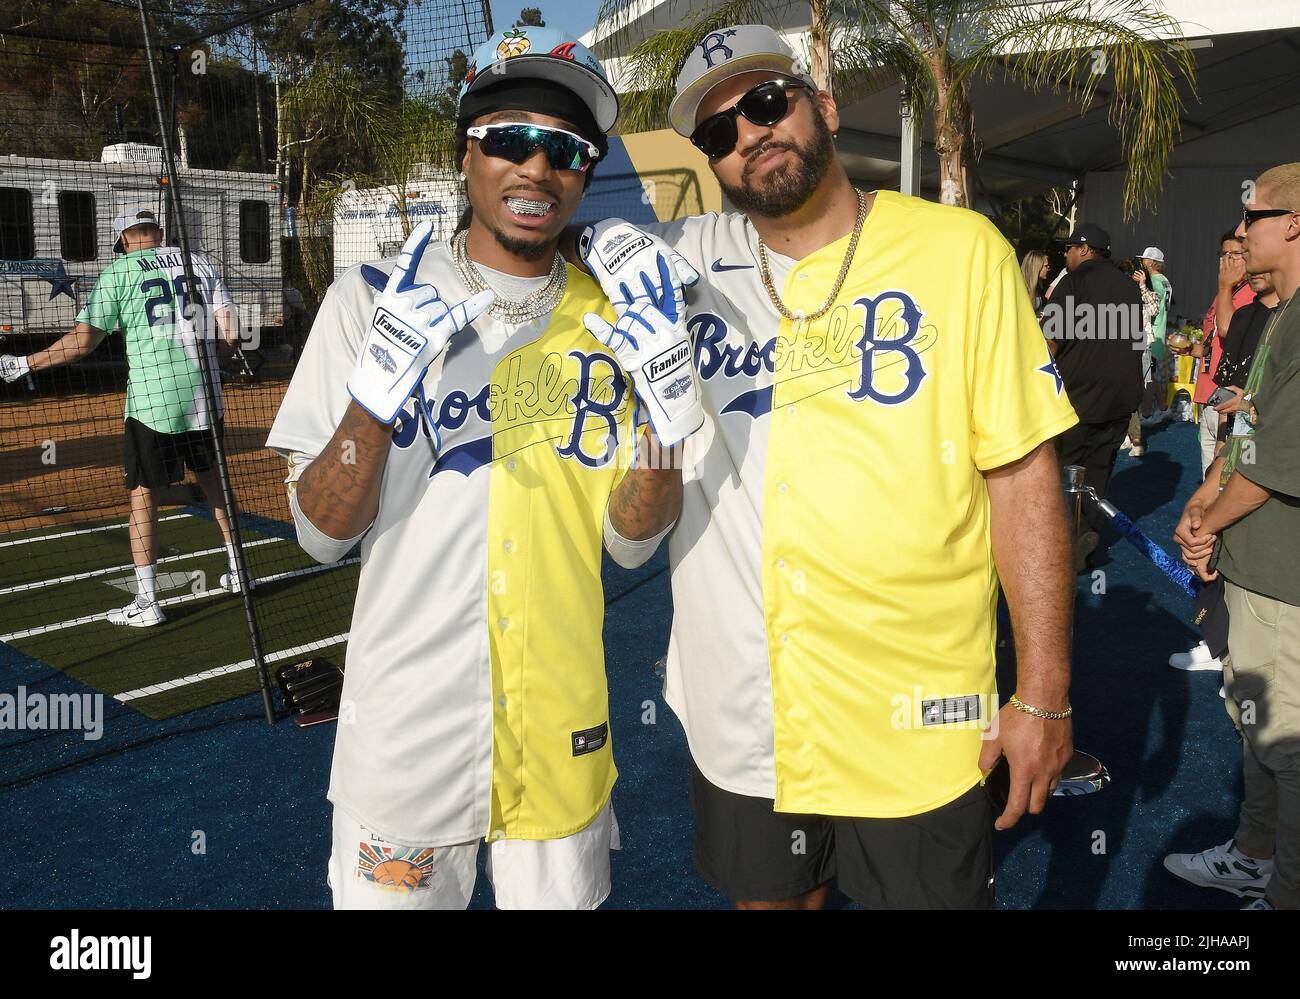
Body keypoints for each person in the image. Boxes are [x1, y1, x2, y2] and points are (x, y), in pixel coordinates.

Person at [573, 24, 1079, 909]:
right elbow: (540, 229)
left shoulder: (962, 251)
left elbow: (1023, 476)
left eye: (768, 101)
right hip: (745, 714)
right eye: (718, 133)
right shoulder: (676, 268)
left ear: (825, 105)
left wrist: (1043, 695)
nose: (750, 134)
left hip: (919, 718)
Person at [265, 26, 672, 910]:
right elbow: (318, 534)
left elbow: (634, 547)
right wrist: (374, 402)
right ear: (468, 153)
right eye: (511, 139)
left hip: (561, 734)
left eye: (566, 149)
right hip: (406, 743)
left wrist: (667, 433)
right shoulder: (368, 299)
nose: (538, 168)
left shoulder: (620, 320)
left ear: (585, 171)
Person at [0, 207, 242, 627]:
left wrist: (25, 364)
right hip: (207, 398)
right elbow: (232, 332)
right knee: (215, 482)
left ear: (124, 239)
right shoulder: (198, 261)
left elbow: (81, 343)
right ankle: (239, 572)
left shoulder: (119, 272)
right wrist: (208, 365)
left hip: (154, 402)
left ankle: (148, 601)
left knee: (142, 496)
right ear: (159, 232)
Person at [1169, 162, 1300, 910]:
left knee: (1287, 745)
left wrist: (1205, 522)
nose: (1239, 231)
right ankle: (1256, 854)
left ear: (1293, 223)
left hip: (1286, 580)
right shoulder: (1282, 312)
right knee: (1258, 730)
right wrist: (1202, 499)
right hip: (1262, 574)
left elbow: (1278, 460)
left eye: (1252, 217)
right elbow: (1249, 427)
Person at [1170, 270, 1279, 677]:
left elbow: (1274, 446)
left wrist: (1207, 518)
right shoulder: (1255, 314)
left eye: (1251, 227)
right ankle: (1221, 645)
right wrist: (1205, 500)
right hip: (1237, 446)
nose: (1239, 257)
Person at [1042, 223, 1144, 568]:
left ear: (1085, 249)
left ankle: (1061, 545)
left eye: (1069, 248)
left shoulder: (1074, 282)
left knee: (1062, 472)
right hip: (1120, 399)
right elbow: (1136, 343)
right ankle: (1086, 536)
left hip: (1079, 397)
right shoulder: (1130, 289)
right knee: (1098, 472)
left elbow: (1051, 342)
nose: (1066, 254)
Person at [1136, 246, 1173, 422]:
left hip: (1152, 332)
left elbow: (1153, 308)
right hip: (1161, 330)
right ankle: (1163, 407)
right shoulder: (1165, 280)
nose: (1142, 262)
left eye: (1144, 260)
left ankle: (1146, 413)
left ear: (1150, 262)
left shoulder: (1155, 282)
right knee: (1153, 373)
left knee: (1148, 376)